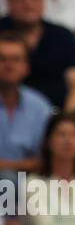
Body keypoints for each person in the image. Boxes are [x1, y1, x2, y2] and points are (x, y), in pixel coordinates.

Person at [0, 0, 75, 112]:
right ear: (9, 3)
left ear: (43, 4)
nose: (28, 5)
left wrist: (64, 120)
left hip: (55, 113)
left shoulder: (62, 36)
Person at [0, 33, 53, 181]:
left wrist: (7, 166)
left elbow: (46, 159)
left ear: (26, 67)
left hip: (30, 185)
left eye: (16, 60)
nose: (8, 65)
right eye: (2, 59)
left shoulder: (40, 107)